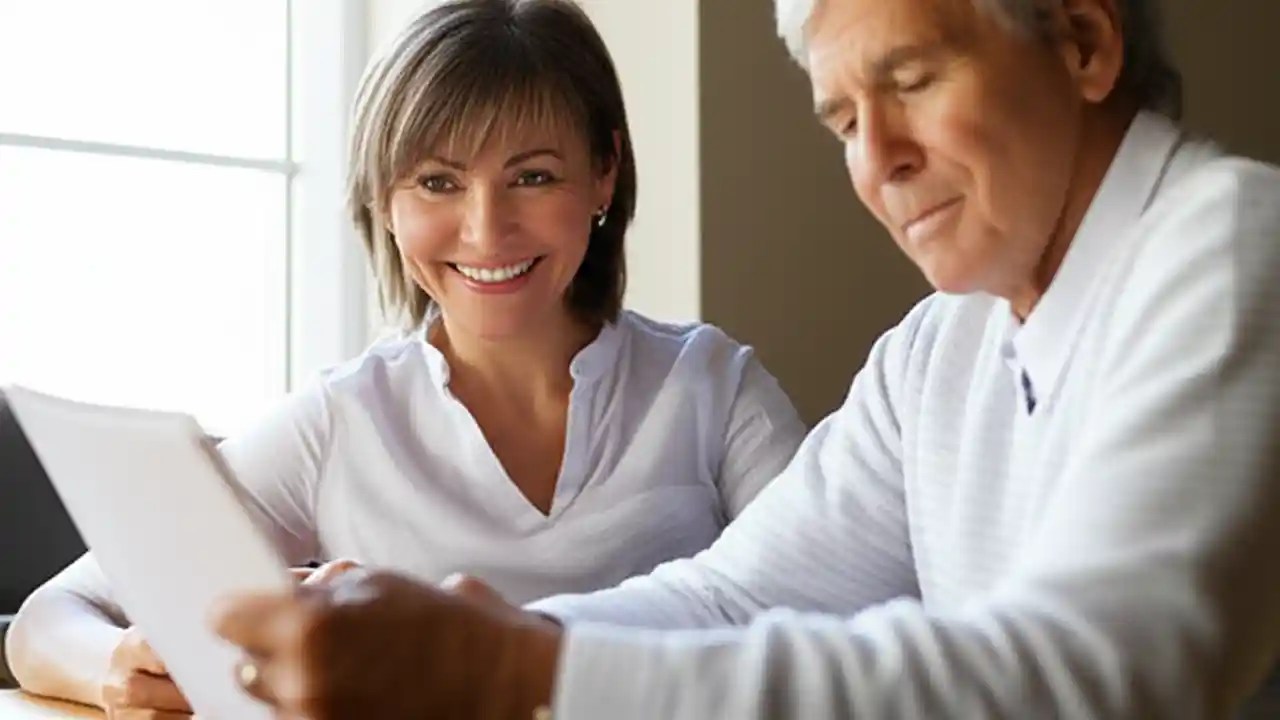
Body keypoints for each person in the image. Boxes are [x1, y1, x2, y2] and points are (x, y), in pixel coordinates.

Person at [209, 0, 1280, 717]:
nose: (876, 162)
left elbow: (1098, 670)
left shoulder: (1229, 244)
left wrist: (506, 663)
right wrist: (461, 639)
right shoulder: (940, 346)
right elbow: (736, 595)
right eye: (842, 119)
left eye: (908, 81)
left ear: (1082, 44)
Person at [3, 0, 808, 715]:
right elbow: (50, 615)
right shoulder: (341, 419)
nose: (487, 232)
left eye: (533, 176)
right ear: (383, 200)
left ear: (604, 174)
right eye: (437, 182)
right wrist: (117, 665)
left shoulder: (713, 389)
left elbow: (848, 618)